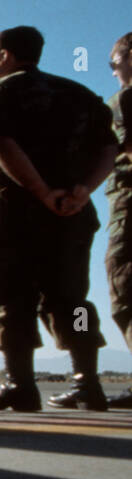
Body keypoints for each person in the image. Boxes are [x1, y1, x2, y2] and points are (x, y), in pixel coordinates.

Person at [0, 26, 117, 411]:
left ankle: (20, 384)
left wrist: (40, 191)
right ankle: (88, 382)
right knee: (73, 300)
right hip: (72, 214)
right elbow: (108, 149)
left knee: (8, 299)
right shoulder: (82, 96)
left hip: (15, 215)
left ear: (3, 56)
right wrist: (84, 189)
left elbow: (3, 143)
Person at [96, 32, 132, 409]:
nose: (113, 71)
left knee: (125, 287)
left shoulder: (124, 100)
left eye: (114, 62)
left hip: (129, 206)